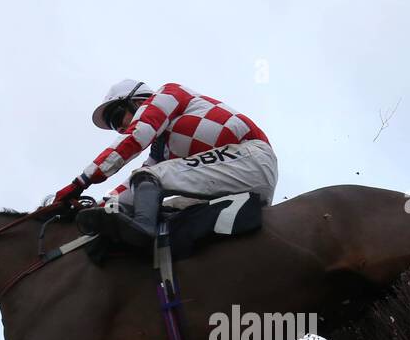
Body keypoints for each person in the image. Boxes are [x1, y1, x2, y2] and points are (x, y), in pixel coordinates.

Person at [46, 80, 278, 247]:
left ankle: (143, 231)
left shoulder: (168, 94)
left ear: (137, 101)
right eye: (114, 126)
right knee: (162, 207)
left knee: (147, 178)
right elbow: (132, 187)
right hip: (235, 182)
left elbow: (135, 137)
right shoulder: (163, 152)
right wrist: (98, 206)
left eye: (117, 118)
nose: (120, 128)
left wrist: (79, 183)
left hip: (252, 157)